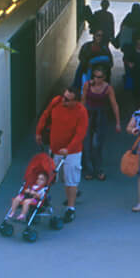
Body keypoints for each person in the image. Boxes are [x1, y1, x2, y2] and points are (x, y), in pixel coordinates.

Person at [35, 86, 87, 221]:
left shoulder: (81, 112)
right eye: (64, 97)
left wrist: (69, 148)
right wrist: (39, 132)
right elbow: (45, 115)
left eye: (67, 100)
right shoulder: (56, 101)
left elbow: (80, 134)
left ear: (76, 101)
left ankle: (70, 208)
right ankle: (72, 193)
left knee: (70, 179)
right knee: (53, 177)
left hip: (72, 153)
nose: (63, 100)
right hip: (54, 149)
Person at [81, 66, 122, 182]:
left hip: (101, 115)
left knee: (97, 144)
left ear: (104, 77)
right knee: (87, 143)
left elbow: (114, 104)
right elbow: (82, 101)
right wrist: (79, 118)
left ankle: (98, 169)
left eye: (99, 77)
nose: (96, 79)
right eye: (95, 76)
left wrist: (118, 122)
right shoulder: (87, 85)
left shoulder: (108, 88)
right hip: (88, 114)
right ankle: (89, 169)